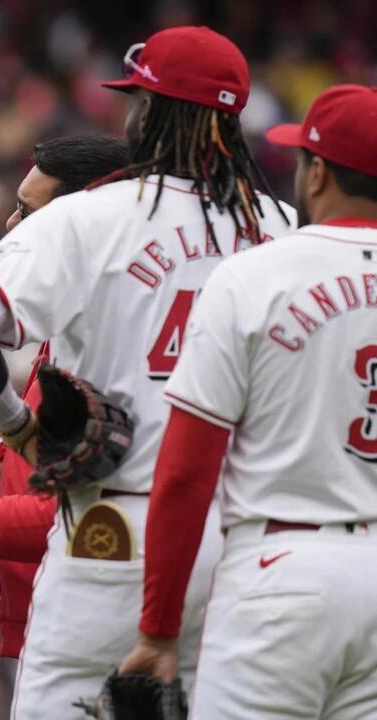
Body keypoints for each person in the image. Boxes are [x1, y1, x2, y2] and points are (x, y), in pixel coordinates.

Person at [0, 26, 295, 718]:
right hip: (240, 543)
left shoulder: (87, 217)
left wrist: (18, 429)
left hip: (110, 530)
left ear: (151, 114)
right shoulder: (279, 228)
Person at [118, 84, 377, 718]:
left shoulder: (256, 275)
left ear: (317, 173)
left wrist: (158, 628)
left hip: (282, 572)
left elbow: (183, 473)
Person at [0, 134, 130, 659]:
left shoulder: (112, 340)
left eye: (26, 212)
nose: (10, 226)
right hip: (56, 614)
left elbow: (67, 519)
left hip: (88, 630)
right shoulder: (74, 319)